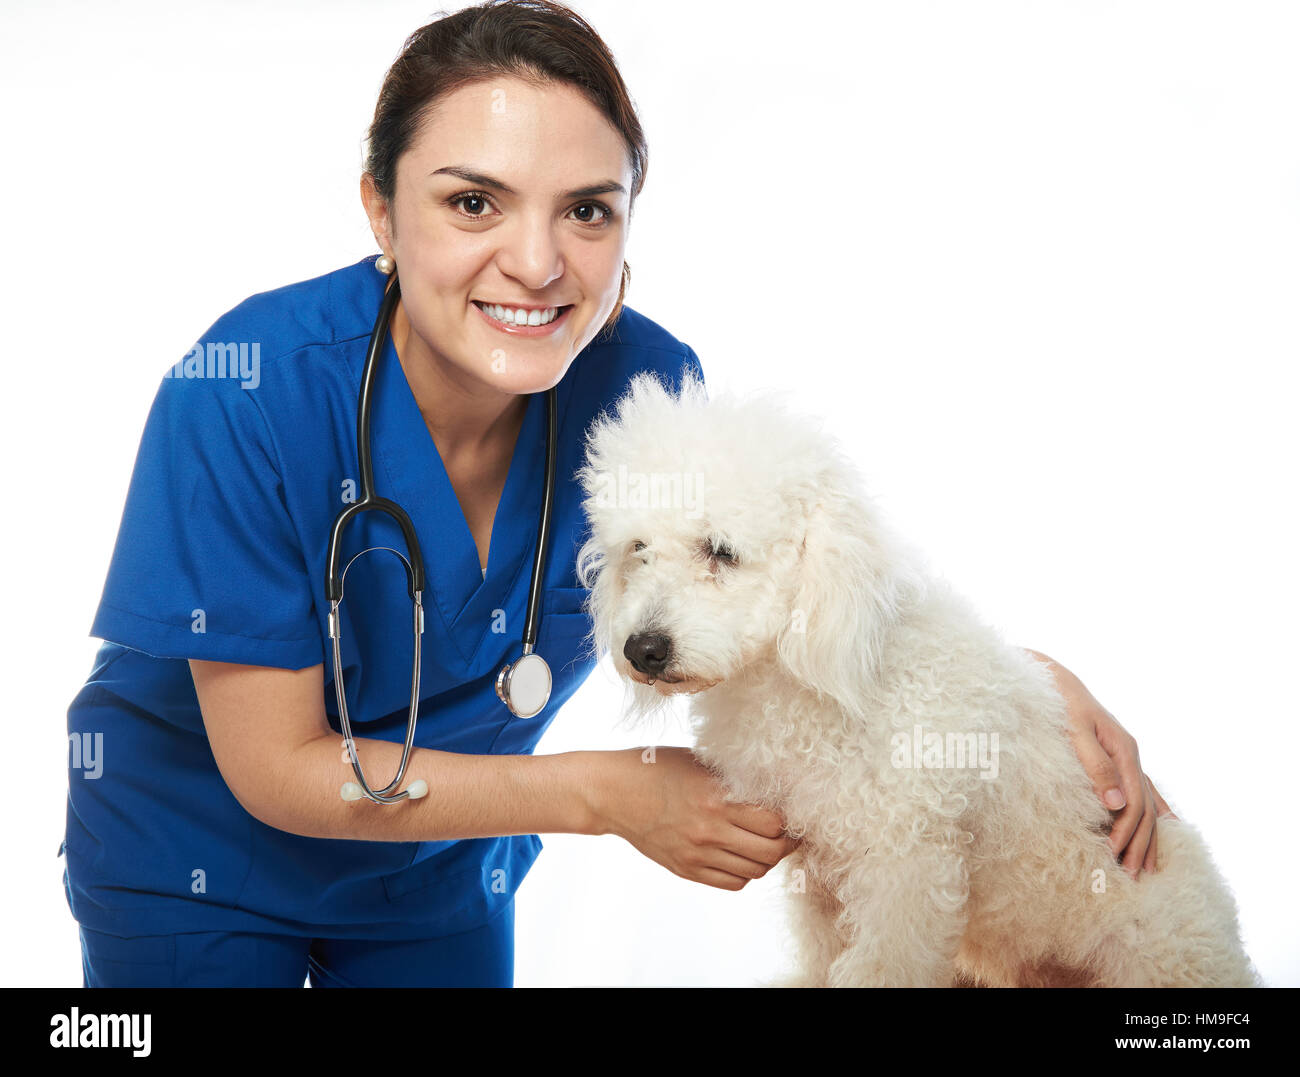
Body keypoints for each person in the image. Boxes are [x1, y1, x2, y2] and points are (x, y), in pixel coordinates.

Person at [61, 0, 1172, 989]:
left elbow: (776, 576)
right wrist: (608, 795)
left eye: (587, 211)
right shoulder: (247, 390)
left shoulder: (645, 388)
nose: (538, 263)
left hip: (434, 871)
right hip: (195, 861)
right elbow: (279, 769)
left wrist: (1011, 693)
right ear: (380, 213)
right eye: (473, 203)